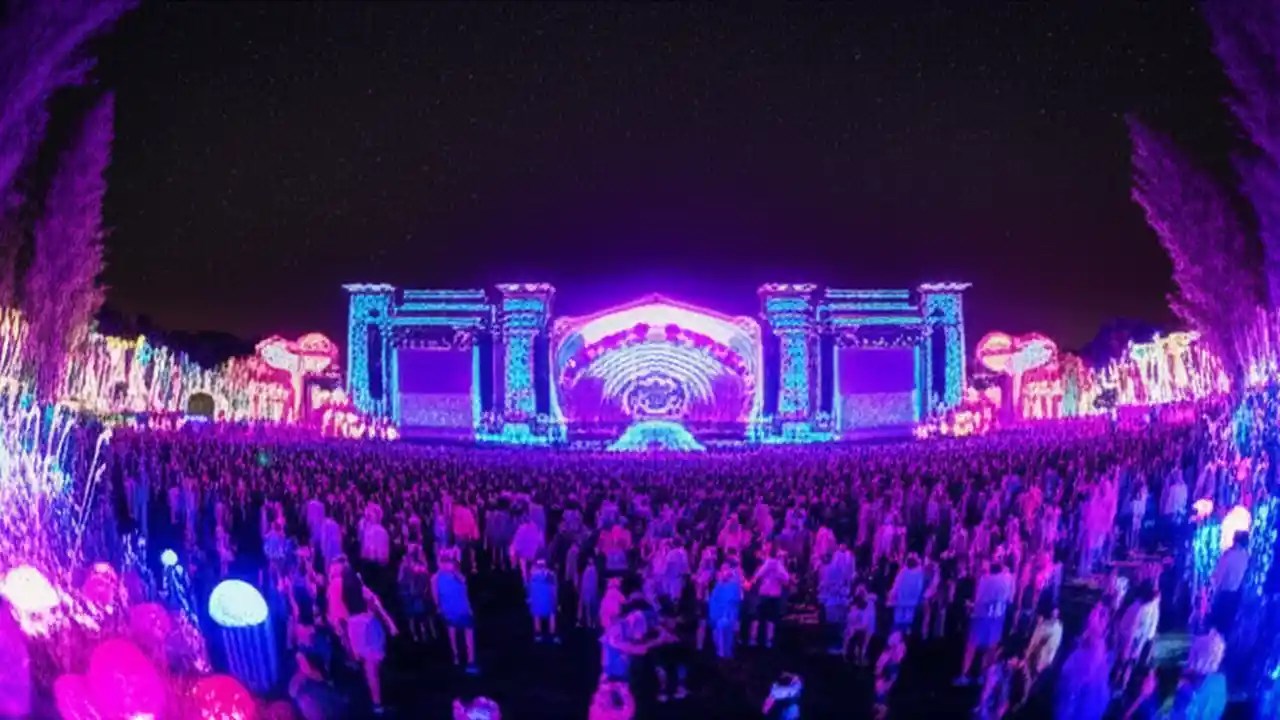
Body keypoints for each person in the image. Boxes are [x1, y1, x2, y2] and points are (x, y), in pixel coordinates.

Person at [342, 566, 398, 714]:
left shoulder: (345, 593)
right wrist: (390, 624)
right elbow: (378, 607)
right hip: (368, 626)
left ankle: (375, 701)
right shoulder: (364, 592)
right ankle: (377, 702)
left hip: (355, 627)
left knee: (369, 667)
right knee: (373, 667)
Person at [433, 549, 478, 672]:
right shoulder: (436, 578)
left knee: (467, 633)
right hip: (450, 610)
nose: (446, 565)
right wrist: (438, 607)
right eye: (444, 562)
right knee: (453, 632)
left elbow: (464, 588)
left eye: (448, 562)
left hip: (461, 608)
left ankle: (469, 659)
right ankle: (457, 656)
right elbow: (435, 595)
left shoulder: (457, 576)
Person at [748, 552, 790, 648]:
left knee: (769, 618)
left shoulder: (779, 568)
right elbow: (756, 577)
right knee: (759, 617)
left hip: (772, 596)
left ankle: (767, 640)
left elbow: (786, 579)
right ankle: (754, 639)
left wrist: (777, 574)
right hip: (765, 595)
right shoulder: (765, 566)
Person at [1210, 531, 1249, 632]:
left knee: (1220, 625)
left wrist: (1215, 591)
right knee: (1230, 625)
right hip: (1237, 594)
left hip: (1225, 593)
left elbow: (1220, 575)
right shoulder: (1246, 556)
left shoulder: (1228, 555)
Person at [527, 558, 559, 643]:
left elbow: (530, 589)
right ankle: (552, 634)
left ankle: (538, 634)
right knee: (552, 614)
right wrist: (556, 601)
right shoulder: (551, 575)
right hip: (548, 602)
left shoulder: (533, 575)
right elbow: (554, 589)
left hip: (537, 602)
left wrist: (530, 599)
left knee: (536, 614)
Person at [874, 632, 906, 719]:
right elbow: (878, 670)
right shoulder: (885, 655)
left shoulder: (901, 651)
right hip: (883, 689)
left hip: (893, 690)